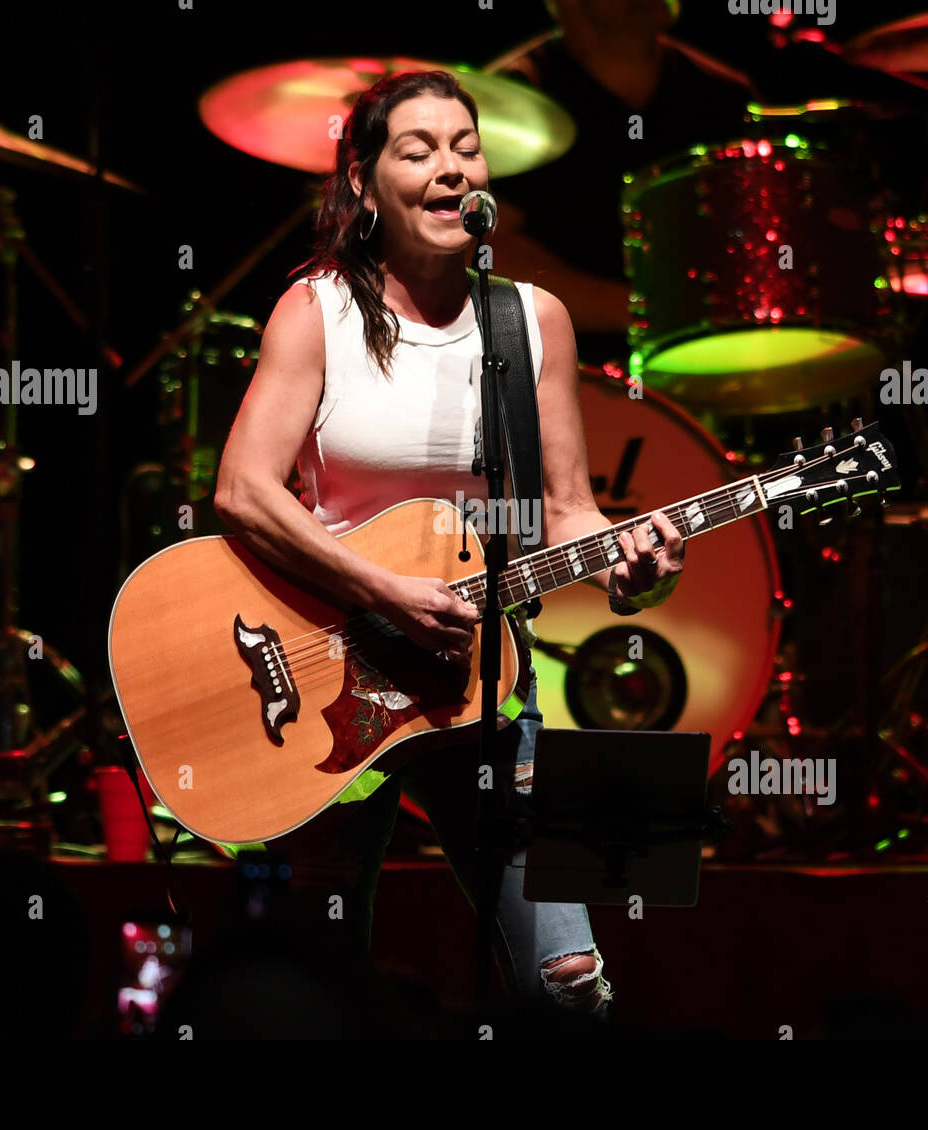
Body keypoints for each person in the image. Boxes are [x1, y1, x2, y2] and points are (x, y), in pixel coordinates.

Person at [213, 69, 686, 1016]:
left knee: (575, 989)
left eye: (465, 148)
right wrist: (381, 590)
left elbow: (568, 510)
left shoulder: (532, 319)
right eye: (418, 149)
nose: (449, 167)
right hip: (326, 681)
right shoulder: (316, 310)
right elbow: (241, 491)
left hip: (487, 683)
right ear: (364, 181)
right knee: (308, 992)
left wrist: (633, 568)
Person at [486, 0, 758, 361]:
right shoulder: (506, 106)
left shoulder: (724, 97)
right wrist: (642, 312)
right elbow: (483, 255)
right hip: (564, 372)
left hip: (716, 360)